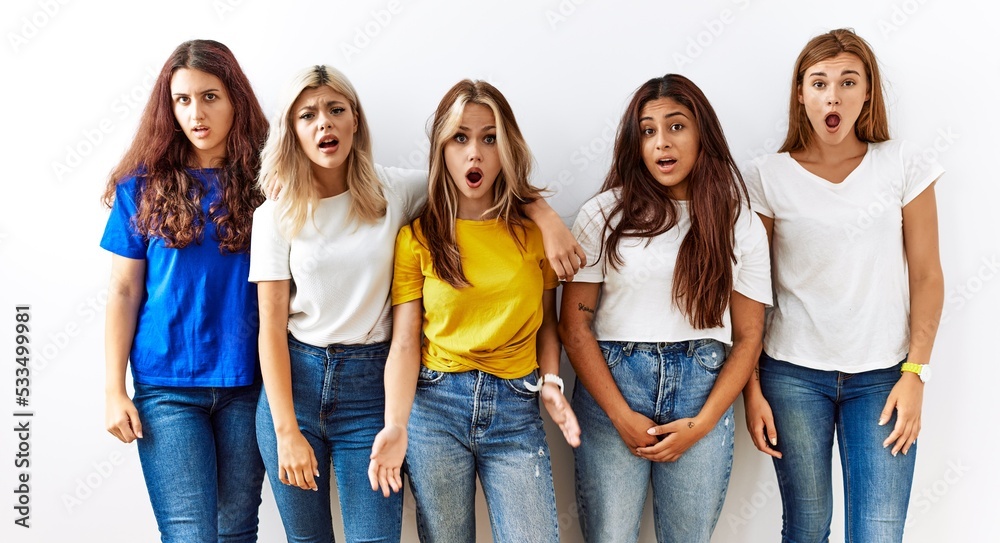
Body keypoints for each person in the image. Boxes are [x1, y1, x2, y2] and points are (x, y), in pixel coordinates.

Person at [250, 68, 583, 543]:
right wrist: (286, 431)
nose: (324, 124)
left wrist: (545, 213)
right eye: (308, 114)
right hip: (302, 380)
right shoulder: (276, 215)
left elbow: (479, 191)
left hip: (377, 387)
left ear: (355, 120)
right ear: (292, 129)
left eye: (336, 110)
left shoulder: (394, 192)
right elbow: (271, 328)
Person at [741, 28, 944, 543]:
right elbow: (749, 290)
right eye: (820, 82)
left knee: (877, 533)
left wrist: (916, 372)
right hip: (790, 377)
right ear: (801, 94)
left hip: (884, 378)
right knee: (806, 529)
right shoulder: (767, 176)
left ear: (867, 93)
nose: (833, 95)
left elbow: (926, 275)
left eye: (848, 82)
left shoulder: (900, 164)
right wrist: (751, 388)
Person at [558, 74, 771, 543]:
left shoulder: (738, 221)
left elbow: (749, 337)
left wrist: (703, 424)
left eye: (676, 126)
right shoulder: (603, 214)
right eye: (648, 131)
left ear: (702, 134)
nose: (661, 143)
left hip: (702, 392)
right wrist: (618, 414)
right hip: (614, 385)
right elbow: (574, 328)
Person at [367, 79, 581, 543]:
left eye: (490, 138)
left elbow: (548, 325)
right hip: (435, 406)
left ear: (507, 148)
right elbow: (404, 343)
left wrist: (551, 383)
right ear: (442, 148)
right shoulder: (417, 238)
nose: (475, 154)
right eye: (460, 138)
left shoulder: (534, 236)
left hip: (515, 408)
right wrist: (396, 425)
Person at [101, 39, 268, 542]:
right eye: (183, 99)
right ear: (168, 108)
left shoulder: (271, 185)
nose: (197, 112)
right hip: (166, 388)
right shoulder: (140, 188)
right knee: (190, 534)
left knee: (237, 530)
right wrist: (113, 389)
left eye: (210, 96)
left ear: (235, 99)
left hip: (248, 384)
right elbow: (124, 291)